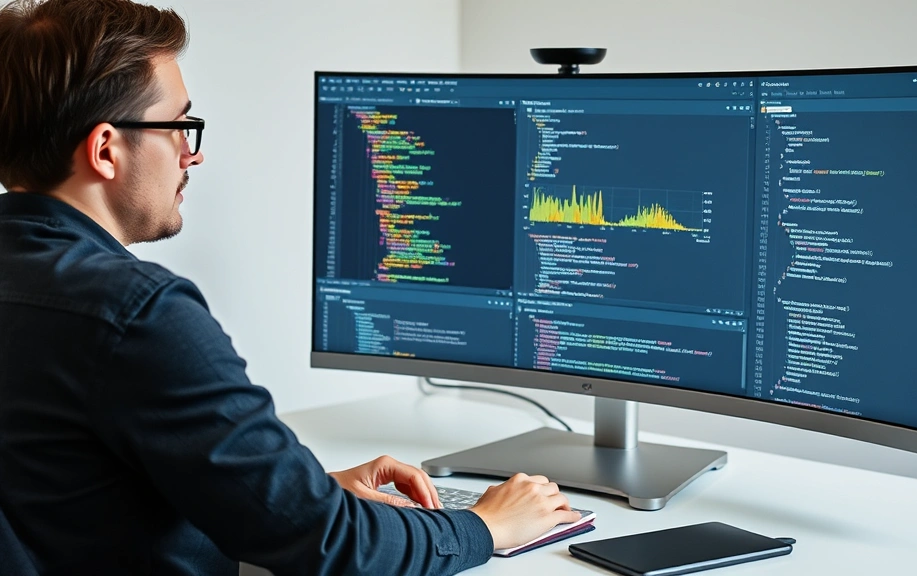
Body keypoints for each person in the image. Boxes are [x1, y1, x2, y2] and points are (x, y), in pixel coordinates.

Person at [0, 1, 581, 574]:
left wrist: (295, 495)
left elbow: (78, 496)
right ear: (106, 150)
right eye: (179, 127)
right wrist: (485, 526)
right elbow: (331, 548)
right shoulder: (137, 315)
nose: (192, 154)